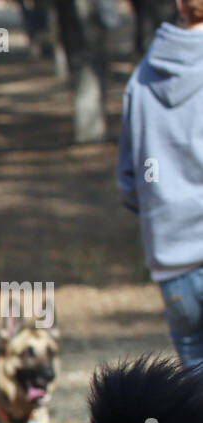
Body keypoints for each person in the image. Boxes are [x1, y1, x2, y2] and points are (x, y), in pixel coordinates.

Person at [116, 0, 203, 370]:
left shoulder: (142, 77)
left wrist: (161, 211)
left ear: (181, 5)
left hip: (172, 262)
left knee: (195, 399)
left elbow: (129, 179)